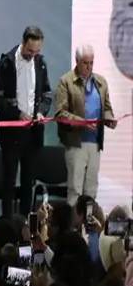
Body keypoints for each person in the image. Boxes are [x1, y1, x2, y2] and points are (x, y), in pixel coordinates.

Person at [0, 24, 51, 216]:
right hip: (11, 135)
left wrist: (41, 112)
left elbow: (47, 94)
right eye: (30, 51)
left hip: (33, 134)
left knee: (28, 182)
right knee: (9, 182)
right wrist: (16, 113)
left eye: (37, 51)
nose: (33, 55)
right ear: (23, 43)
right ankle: (7, 224)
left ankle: (26, 225)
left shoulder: (40, 64)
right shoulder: (6, 63)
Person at [54, 43, 115, 204]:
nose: (89, 67)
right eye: (85, 63)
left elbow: (107, 108)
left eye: (91, 63)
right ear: (77, 61)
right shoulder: (65, 81)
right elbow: (61, 112)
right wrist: (82, 123)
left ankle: (89, 227)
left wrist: (110, 119)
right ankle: (73, 228)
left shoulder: (101, 82)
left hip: (95, 143)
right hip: (76, 144)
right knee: (75, 189)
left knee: (91, 189)